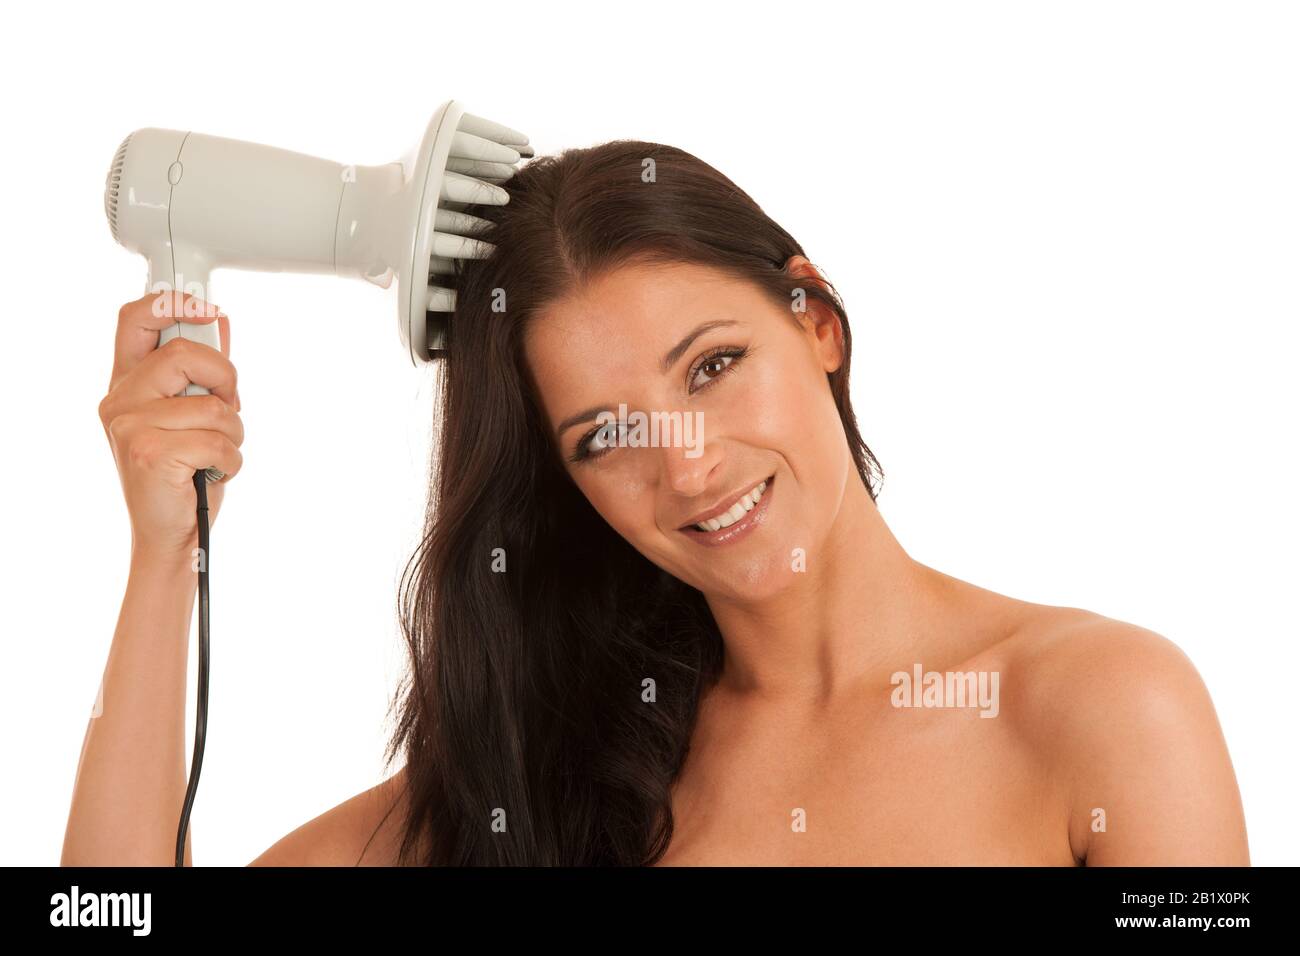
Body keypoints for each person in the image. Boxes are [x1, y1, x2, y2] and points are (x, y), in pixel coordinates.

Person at [64, 141, 1249, 866]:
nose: (686, 468)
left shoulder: (1104, 708)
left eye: (713, 366)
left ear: (816, 321)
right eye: (604, 435)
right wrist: (165, 551)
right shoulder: (558, 768)